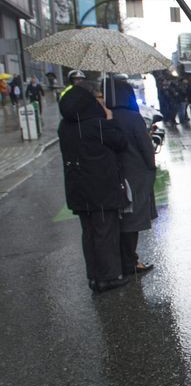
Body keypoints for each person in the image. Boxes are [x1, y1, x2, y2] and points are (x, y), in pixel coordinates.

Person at [57, 81, 131, 292]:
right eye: (99, 97)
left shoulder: (66, 124)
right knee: (105, 232)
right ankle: (109, 276)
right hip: (101, 188)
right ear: (90, 99)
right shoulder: (97, 123)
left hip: (78, 188)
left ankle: (94, 276)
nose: (103, 101)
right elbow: (120, 143)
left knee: (88, 233)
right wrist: (110, 120)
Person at [105, 78, 157, 275]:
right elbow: (145, 147)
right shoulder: (132, 117)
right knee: (132, 220)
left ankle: (122, 260)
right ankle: (130, 261)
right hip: (135, 174)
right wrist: (151, 166)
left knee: (118, 220)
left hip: (112, 174)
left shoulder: (105, 116)